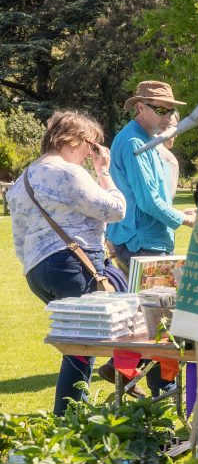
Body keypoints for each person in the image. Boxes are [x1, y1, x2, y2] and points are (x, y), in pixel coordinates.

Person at [7, 110, 126, 416]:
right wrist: (104, 172)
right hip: (74, 265)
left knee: (78, 345)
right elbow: (115, 210)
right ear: (72, 139)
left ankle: (71, 416)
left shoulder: (23, 179)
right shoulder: (68, 172)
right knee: (82, 348)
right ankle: (70, 418)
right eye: (91, 145)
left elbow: (19, 239)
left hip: (37, 270)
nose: (91, 153)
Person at [106, 81, 196, 271]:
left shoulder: (147, 139)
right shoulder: (135, 142)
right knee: (153, 293)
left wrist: (180, 214)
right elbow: (148, 201)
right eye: (161, 110)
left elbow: (148, 196)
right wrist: (188, 220)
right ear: (140, 108)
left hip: (144, 242)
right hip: (142, 245)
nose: (168, 117)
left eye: (171, 111)